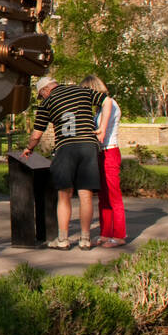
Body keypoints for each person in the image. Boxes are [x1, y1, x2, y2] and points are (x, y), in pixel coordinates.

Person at [22, 75, 106, 250]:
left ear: (45, 90)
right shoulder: (81, 91)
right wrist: (103, 128)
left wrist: (29, 148)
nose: (42, 98)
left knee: (64, 195)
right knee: (86, 195)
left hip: (65, 148)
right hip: (87, 145)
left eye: (41, 95)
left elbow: (37, 134)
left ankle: (63, 239)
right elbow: (106, 100)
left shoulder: (47, 103)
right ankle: (85, 239)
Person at [83, 74, 125, 247]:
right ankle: (105, 233)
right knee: (103, 196)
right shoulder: (100, 109)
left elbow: (103, 130)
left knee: (113, 195)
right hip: (100, 152)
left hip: (110, 151)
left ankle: (119, 234)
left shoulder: (110, 104)